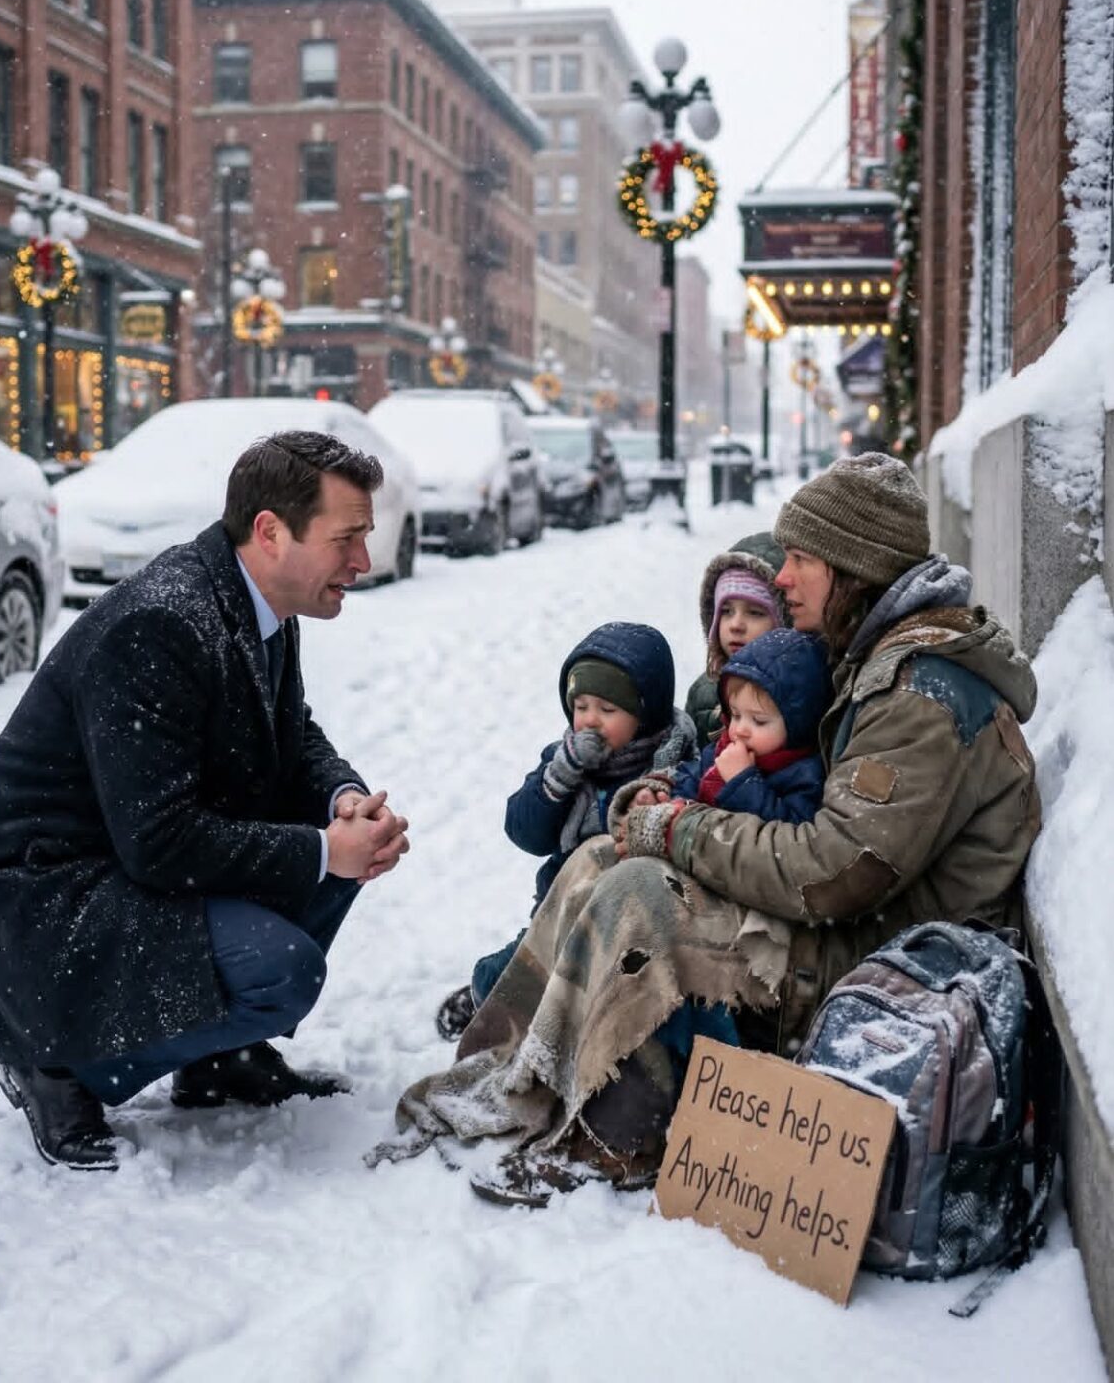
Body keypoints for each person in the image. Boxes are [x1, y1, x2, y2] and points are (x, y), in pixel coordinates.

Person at [383, 454, 1040, 1208]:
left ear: (851, 568)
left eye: (798, 560)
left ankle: (617, 1133)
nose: (780, 579)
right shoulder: (874, 663)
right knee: (603, 854)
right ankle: (511, 1069)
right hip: (867, 921)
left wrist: (680, 834)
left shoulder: (918, 693)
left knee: (641, 893)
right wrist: (676, 802)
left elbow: (833, 873)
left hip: (897, 965)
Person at [0, 431, 410, 1172]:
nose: (361, 559)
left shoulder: (260, 601)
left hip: (120, 857)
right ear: (270, 532)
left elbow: (292, 734)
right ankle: (55, 1065)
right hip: (44, 889)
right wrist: (325, 848)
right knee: (283, 970)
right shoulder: (159, 624)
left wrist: (344, 800)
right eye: (347, 538)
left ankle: (218, 1059)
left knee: (336, 847)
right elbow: (159, 843)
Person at [433, 622, 698, 1042]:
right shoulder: (563, 762)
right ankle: (487, 994)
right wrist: (559, 777)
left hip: (630, 922)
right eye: (581, 706)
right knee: (501, 976)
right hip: (558, 912)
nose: (590, 721)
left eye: (608, 710)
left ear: (646, 715)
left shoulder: (675, 769)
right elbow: (525, 833)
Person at [665, 627, 832, 826]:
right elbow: (690, 777)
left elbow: (789, 829)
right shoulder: (724, 748)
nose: (740, 729)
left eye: (759, 720)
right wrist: (676, 802)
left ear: (798, 724)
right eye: (735, 715)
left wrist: (742, 781)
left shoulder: (803, 776)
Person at [685, 533, 785, 742]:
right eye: (727, 611)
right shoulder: (704, 693)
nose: (736, 625)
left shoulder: (801, 695)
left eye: (755, 612)